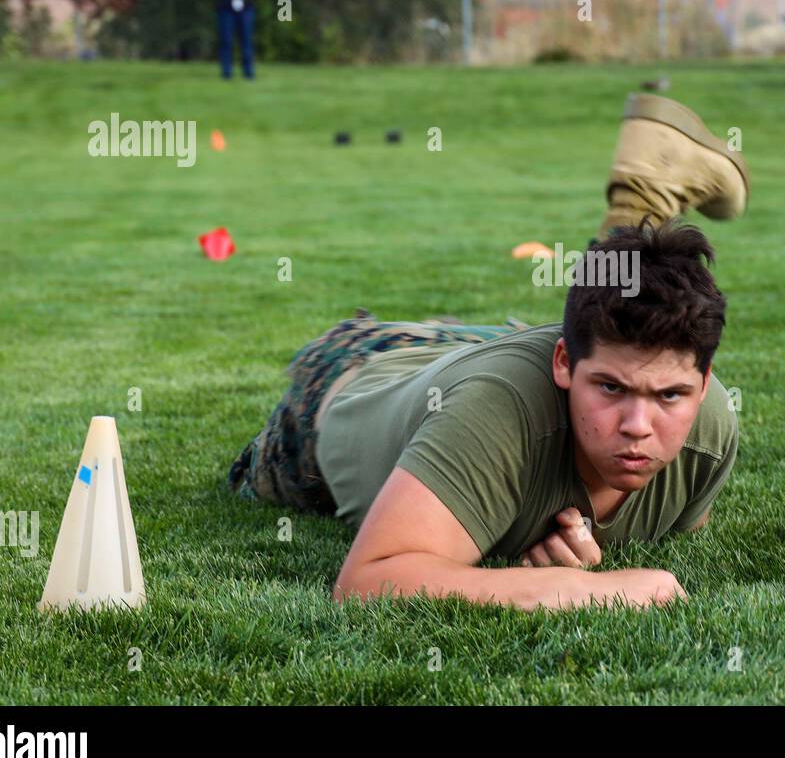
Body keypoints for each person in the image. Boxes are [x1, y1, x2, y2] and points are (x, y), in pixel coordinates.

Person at [227, 94, 750, 612]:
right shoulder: (493, 414)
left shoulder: (709, 428)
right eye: (611, 389)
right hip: (359, 370)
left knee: (608, 327)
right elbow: (367, 581)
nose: (638, 425)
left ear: (703, 387)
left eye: (670, 395)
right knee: (251, 478)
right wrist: (583, 589)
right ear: (562, 366)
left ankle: (642, 188)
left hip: (489, 349)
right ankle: (639, 192)